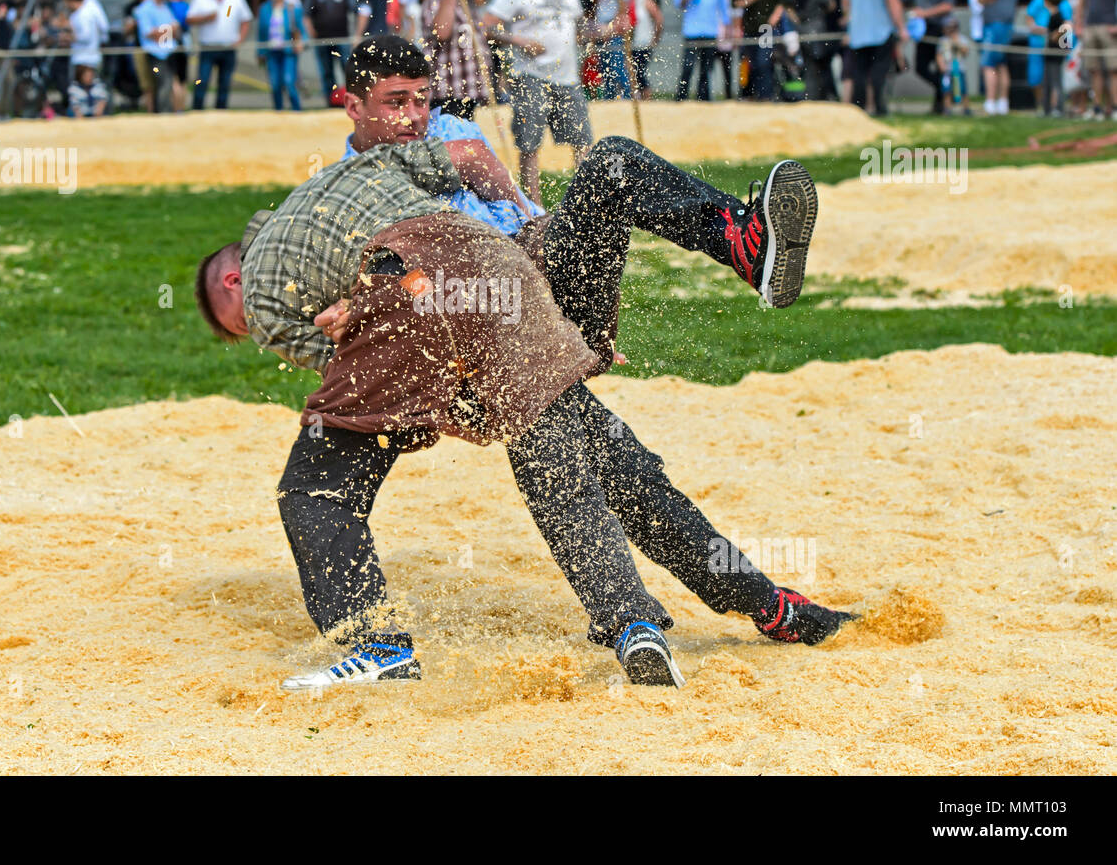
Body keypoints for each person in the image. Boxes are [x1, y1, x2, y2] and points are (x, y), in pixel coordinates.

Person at [193, 38, 848, 689]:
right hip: (480, 307)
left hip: (497, 288)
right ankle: (764, 605)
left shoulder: (390, 167)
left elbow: (468, 177)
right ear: (353, 105)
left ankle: (742, 239)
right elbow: (401, 288)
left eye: (421, 99)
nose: (413, 115)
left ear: (231, 284)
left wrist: (555, 294)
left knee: (610, 167)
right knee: (615, 467)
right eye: (396, 103)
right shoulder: (353, 181)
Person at [480, 0, 598, 202]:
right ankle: (534, 205)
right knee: (530, 144)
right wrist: (517, 39)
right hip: (531, 76)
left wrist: (609, 28)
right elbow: (485, 26)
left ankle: (587, 202)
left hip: (568, 77)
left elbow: (580, 31)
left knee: (582, 140)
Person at [421, 0, 490, 120]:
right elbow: (441, 32)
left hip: (467, 92)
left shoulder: (468, 4)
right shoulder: (438, 1)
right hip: (448, 94)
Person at [839, 0, 905, 116]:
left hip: (858, 32)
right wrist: (901, 27)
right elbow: (893, 2)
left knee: (859, 71)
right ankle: (879, 107)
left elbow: (845, 0)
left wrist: (850, 21)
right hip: (881, 31)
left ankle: (859, 109)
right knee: (879, 71)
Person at [187, 0, 253, 111]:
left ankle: (221, 112)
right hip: (208, 47)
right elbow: (189, 19)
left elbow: (246, 20)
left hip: (228, 48)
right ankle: (197, 110)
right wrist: (205, 18)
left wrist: (240, 40)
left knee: (225, 82)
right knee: (201, 80)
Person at [901, 0, 956, 115]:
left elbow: (948, 6)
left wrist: (924, 12)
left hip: (940, 29)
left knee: (942, 67)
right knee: (921, 67)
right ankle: (944, 90)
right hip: (922, 30)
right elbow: (903, 1)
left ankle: (941, 105)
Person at [728, 0, 785, 101]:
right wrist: (747, 1)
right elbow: (734, 2)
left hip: (766, 26)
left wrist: (775, 16)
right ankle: (749, 95)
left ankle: (766, 96)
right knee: (749, 63)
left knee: (763, 62)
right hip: (749, 26)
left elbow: (781, 0)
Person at [672, 0, 729, 101]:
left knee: (706, 69)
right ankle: (681, 98)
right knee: (687, 67)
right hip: (691, 30)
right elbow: (677, 3)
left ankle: (703, 99)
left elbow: (723, 3)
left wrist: (727, 24)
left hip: (710, 30)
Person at [978, 0, 1021, 116]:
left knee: (988, 64)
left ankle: (990, 103)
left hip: (997, 23)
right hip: (1000, 23)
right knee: (1000, 64)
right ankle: (1002, 104)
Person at [1076, 0, 1117, 120]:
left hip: (1110, 26)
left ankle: (1114, 107)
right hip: (1091, 25)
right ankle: (1097, 108)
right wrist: (1078, 25)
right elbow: (1082, 0)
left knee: (1113, 70)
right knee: (1094, 70)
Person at [256, 0, 305, 111]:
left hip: (288, 52)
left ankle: (297, 111)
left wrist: (301, 42)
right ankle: (279, 112)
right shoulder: (264, 9)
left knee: (289, 82)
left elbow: (302, 30)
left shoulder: (292, 8)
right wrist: (260, 52)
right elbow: (260, 33)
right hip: (272, 52)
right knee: (275, 84)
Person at [304, 0, 351, 105]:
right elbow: (306, 14)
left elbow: (356, 8)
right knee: (326, 71)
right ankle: (330, 101)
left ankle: (349, 98)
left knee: (346, 68)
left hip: (342, 38)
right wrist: (310, 31)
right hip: (322, 40)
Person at [591, 0, 634, 100]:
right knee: (606, 69)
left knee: (618, 67)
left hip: (613, 29)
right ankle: (609, 98)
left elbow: (623, 6)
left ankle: (628, 97)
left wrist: (612, 28)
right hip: (603, 29)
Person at [133, 0, 181, 113]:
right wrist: (167, 30)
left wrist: (162, 31)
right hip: (154, 54)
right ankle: (162, 114)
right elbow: (148, 33)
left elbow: (175, 29)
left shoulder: (166, 7)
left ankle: (170, 112)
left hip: (169, 52)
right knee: (162, 84)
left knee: (171, 84)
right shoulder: (144, 9)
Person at [794, 0, 837, 101]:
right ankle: (821, 97)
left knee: (809, 67)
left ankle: (810, 96)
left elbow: (793, 10)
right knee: (820, 67)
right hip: (817, 31)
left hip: (802, 31)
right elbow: (831, 5)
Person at [1029, 0, 1070, 118]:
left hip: (1055, 54)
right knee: (1047, 81)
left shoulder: (1057, 15)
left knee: (1056, 82)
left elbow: (1067, 26)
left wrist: (1055, 35)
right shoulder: (1053, 15)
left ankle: (1058, 108)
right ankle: (1046, 108)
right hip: (1049, 53)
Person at [630, 0, 662, 100]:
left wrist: (655, 38)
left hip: (643, 43)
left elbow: (658, 18)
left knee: (639, 73)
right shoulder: (626, 1)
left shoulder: (644, 0)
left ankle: (646, 98)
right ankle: (637, 98)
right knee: (632, 73)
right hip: (632, 44)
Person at [936, 19, 970, 116]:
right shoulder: (943, 40)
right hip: (947, 70)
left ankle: (966, 109)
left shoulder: (962, 39)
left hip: (960, 69)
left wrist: (956, 42)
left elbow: (965, 51)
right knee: (946, 90)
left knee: (963, 90)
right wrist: (941, 65)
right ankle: (947, 109)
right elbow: (939, 54)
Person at [167, 0, 190, 112]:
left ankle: (176, 108)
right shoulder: (186, 6)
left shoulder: (168, 6)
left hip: (172, 44)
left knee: (173, 79)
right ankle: (182, 107)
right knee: (183, 79)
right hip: (185, 45)